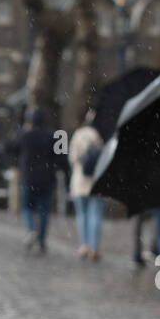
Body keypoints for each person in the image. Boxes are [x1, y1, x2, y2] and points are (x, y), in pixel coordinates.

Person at [9, 107, 66, 252]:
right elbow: (61, 156)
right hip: (47, 178)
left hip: (29, 177)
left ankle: (31, 229)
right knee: (44, 209)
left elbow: (11, 148)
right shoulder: (53, 135)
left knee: (27, 207)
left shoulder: (25, 135)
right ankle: (41, 239)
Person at [68, 111, 105, 260]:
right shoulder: (98, 136)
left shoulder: (78, 135)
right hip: (95, 182)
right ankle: (94, 247)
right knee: (95, 215)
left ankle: (83, 245)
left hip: (79, 181)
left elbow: (72, 158)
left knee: (82, 215)